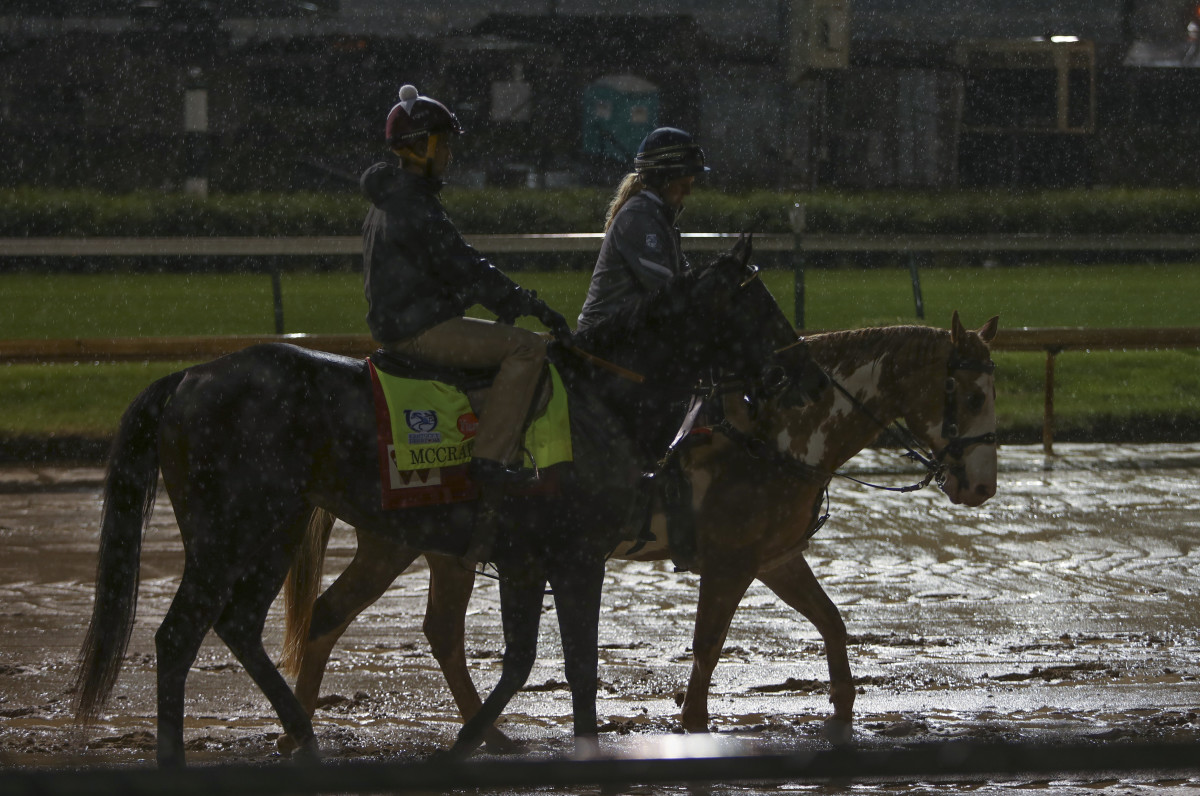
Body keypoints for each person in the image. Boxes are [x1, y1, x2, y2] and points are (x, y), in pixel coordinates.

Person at [360, 83, 572, 561]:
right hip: (421, 332)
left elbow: (450, 270)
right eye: (446, 144)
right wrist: (528, 304)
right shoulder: (413, 201)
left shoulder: (394, 196)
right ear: (422, 147)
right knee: (528, 347)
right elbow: (466, 265)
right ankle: (491, 461)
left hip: (403, 327)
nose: (451, 154)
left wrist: (504, 298)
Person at [576, 127, 710, 571]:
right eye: (687, 177)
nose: (692, 186)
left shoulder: (660, 217)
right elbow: (672, 294)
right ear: (669, 176)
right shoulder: (639, 218)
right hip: (606, 347)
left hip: (633, 341)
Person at [576, 126, 709, 333]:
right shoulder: (638, 218)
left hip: (630, 331)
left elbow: (685, 280)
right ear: (663, 180)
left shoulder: (659, 216)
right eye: (684, 184)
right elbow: (667, 290)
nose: (689, 192)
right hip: (604, 339)